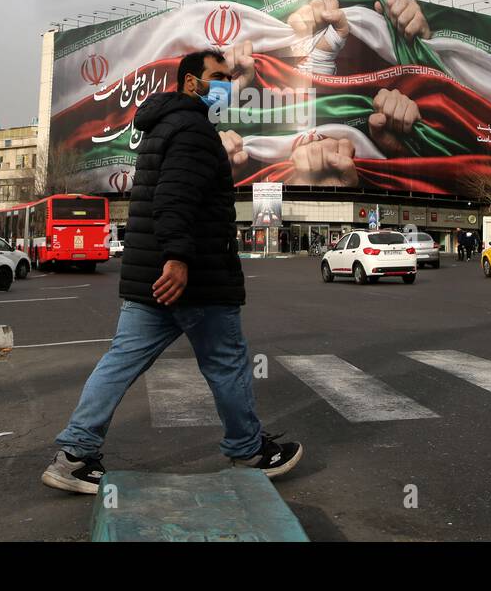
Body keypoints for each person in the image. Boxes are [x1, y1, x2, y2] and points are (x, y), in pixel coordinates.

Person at [42, 49, 302, 495]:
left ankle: (75, 455)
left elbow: (167, 198)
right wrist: (179, 259)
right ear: (190, 83)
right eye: (217, 76)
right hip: (195, 277)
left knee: (121, 361)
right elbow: (174, 200)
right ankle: (248, 449)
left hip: (152, 277)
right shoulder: (194, 131)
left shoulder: (164, 126)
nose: (225, 85)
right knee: (226, 362)